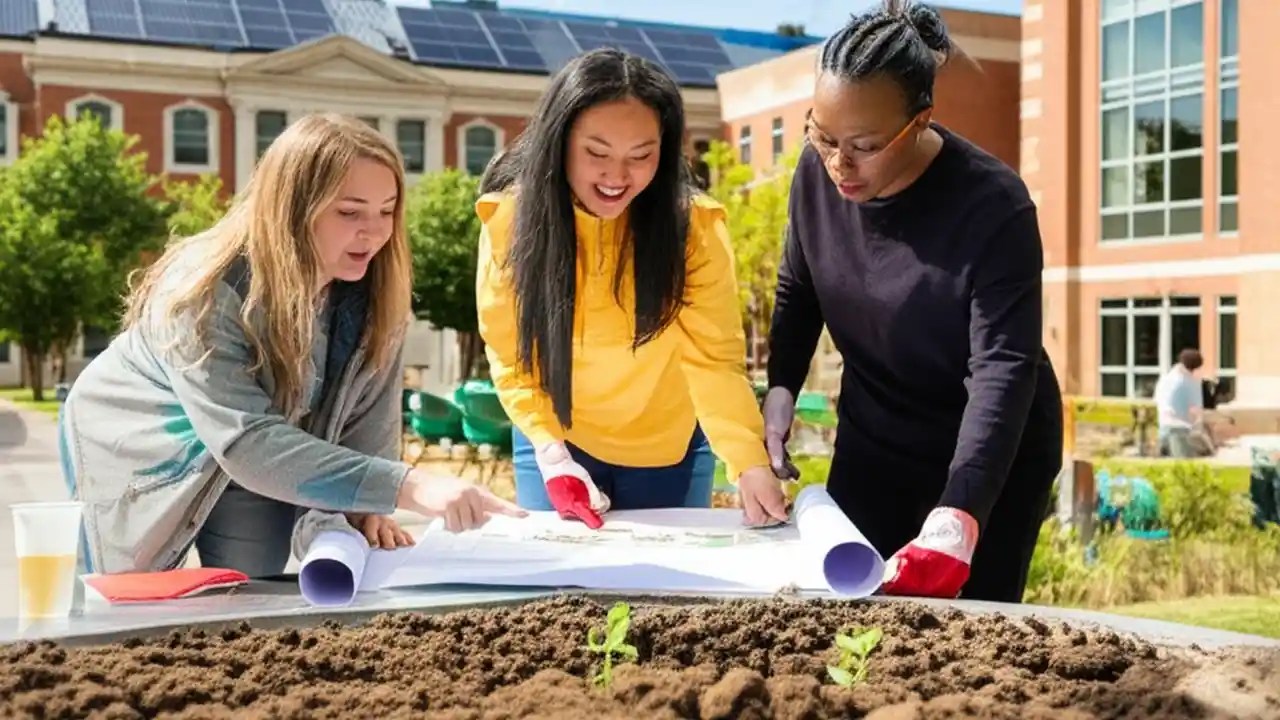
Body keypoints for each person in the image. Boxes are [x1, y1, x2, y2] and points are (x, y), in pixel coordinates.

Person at [59, 113, 523, 577]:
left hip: (259, 442)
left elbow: (372, 419)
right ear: (293, 208)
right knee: (126, 592)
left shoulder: (376, 295)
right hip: (143, 440)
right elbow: (246, 443)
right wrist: (410, 486)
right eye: (349, 211)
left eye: (387, 211)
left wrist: (369, 501)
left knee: (252, 569)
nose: (375, 231)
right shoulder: (201, 292)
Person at [762, 0, 1064, 603]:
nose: (837, 163)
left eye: (865, 145)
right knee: (850, 611)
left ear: (922, 120)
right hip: (875, 439)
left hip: (988, 455)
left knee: (966, 640)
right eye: (821, 137)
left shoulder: (994, 208)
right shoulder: (816, 175)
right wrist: (781, 388)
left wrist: (961, 511)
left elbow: (1002, 371)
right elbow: (799, 287)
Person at [475, 48, 787, 529]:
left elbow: (713, 359)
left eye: (641, 156)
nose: (617, 177)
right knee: (557, 587)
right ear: (558, 142)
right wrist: (552, 452)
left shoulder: (693, 229)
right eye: (596, 154)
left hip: (670, 442)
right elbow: (513, 355)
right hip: (554, 431)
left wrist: (749, 461)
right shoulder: (511, 221)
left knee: (663, 595)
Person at [1154, 348, 1214, 458]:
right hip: (1179, 430)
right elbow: (1195, 410)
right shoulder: (1186, 382)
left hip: (1165, 427)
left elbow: (1160, 402)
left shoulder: (1166, 378)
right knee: (1184, 464)